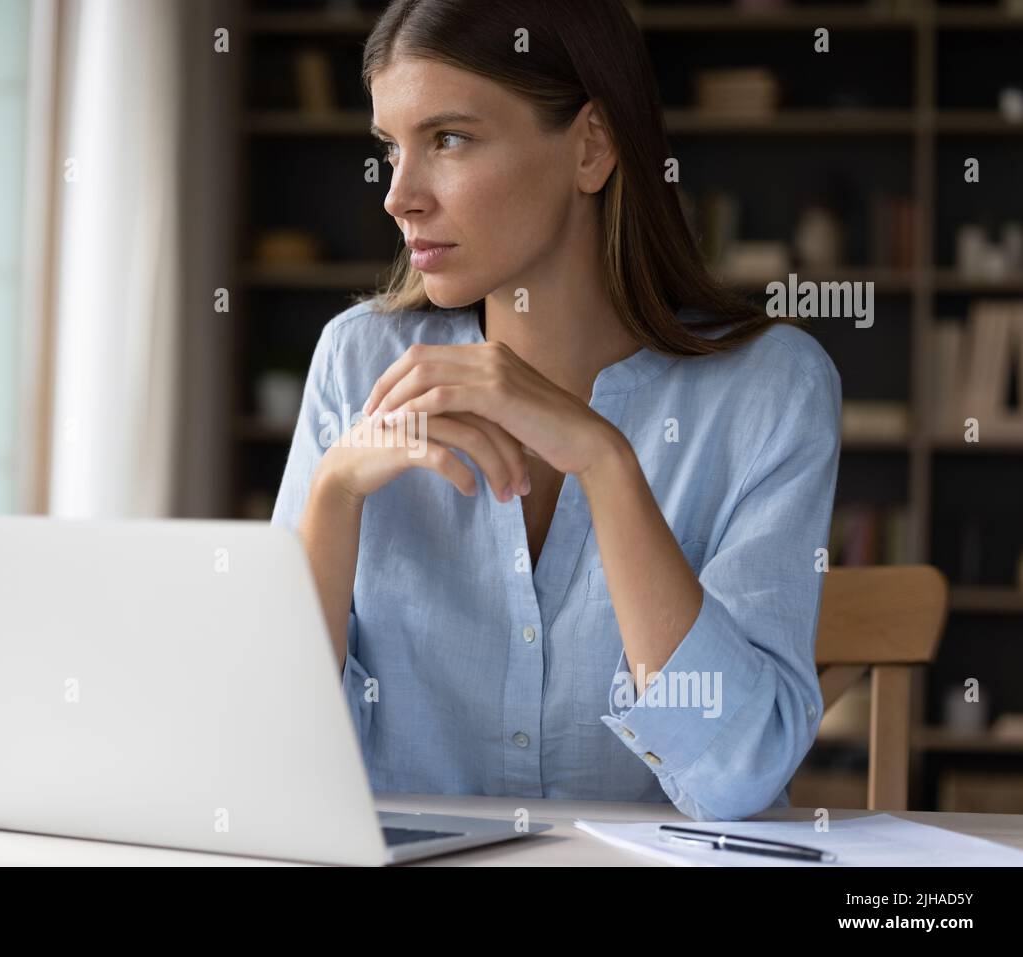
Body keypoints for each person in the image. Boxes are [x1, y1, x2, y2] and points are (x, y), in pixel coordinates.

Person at [271, 0, 841, 822]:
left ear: (591, 146)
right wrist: (331, 496)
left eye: (449, 139)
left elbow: (739, 777)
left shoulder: (771, 390)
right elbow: (269, 761)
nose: (399, 196)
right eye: (390, 149)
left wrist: (606, 466)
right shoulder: (358, 360)